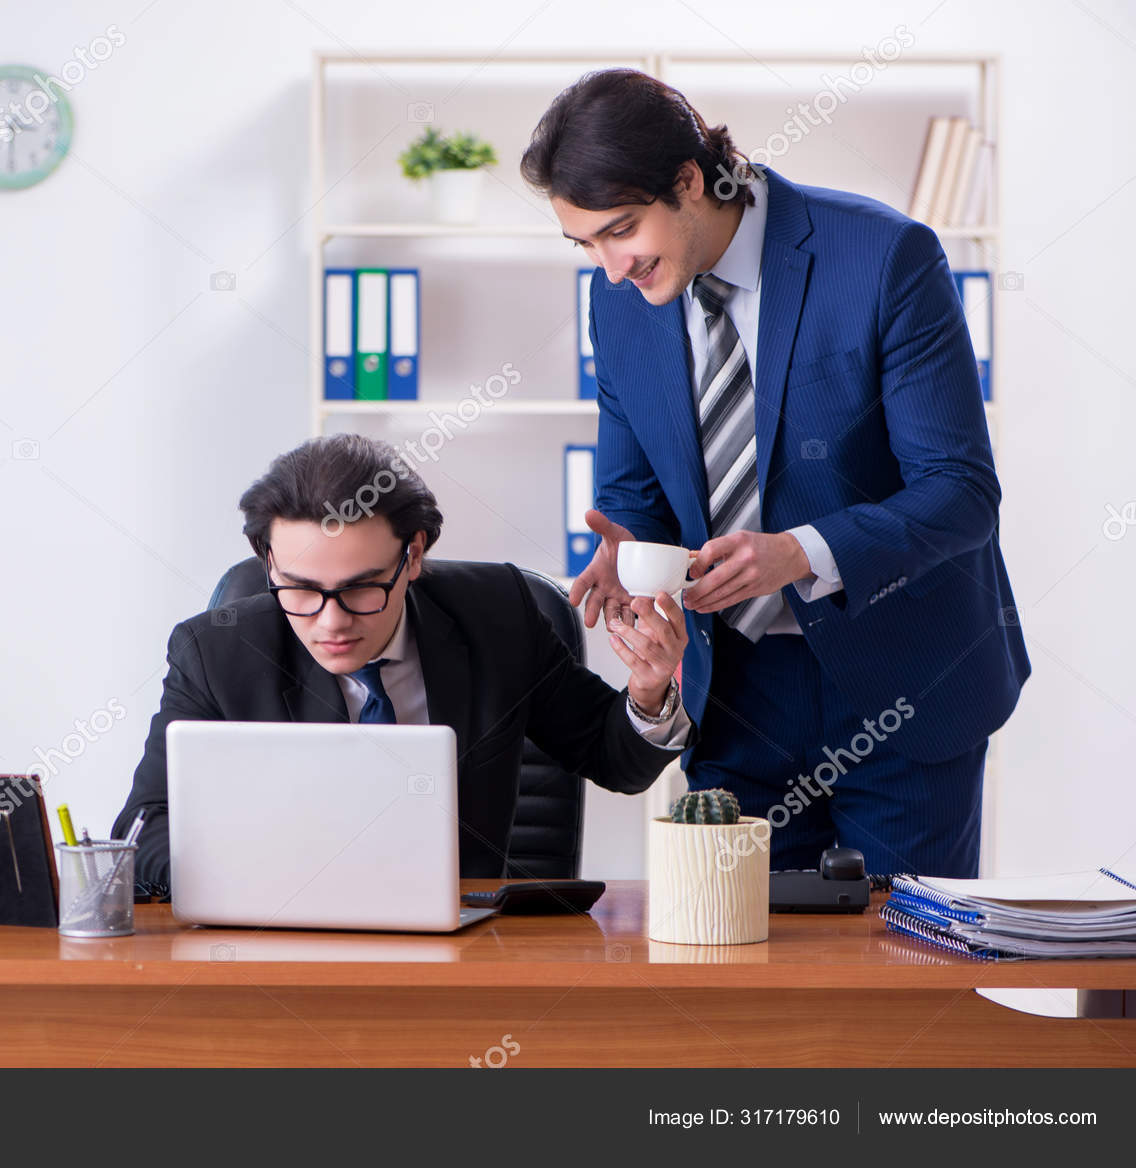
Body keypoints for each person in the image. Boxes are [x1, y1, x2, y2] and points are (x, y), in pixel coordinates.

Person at [520, 69, 1029, 877]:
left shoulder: (883, 256)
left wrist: (800, 551)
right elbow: (633, 491)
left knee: (899, 980)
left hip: (901, 679)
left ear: (688, 181)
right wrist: (629, 553)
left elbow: (961, 492)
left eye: (621, 230)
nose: (610, 267)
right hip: (733, 693)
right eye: (585, 243)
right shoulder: (618, 303)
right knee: (738, 971)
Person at [113, 434, 692, 889]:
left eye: (362, 588)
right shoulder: (215, 653)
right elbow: (145, 832)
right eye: (300, 588)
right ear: (269, 562)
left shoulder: (499, 617)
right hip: (281, 950)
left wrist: (647, 692)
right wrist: (259, 876)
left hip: (461, 955)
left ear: (412, 555)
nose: (330, 621)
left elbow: (614, 760)